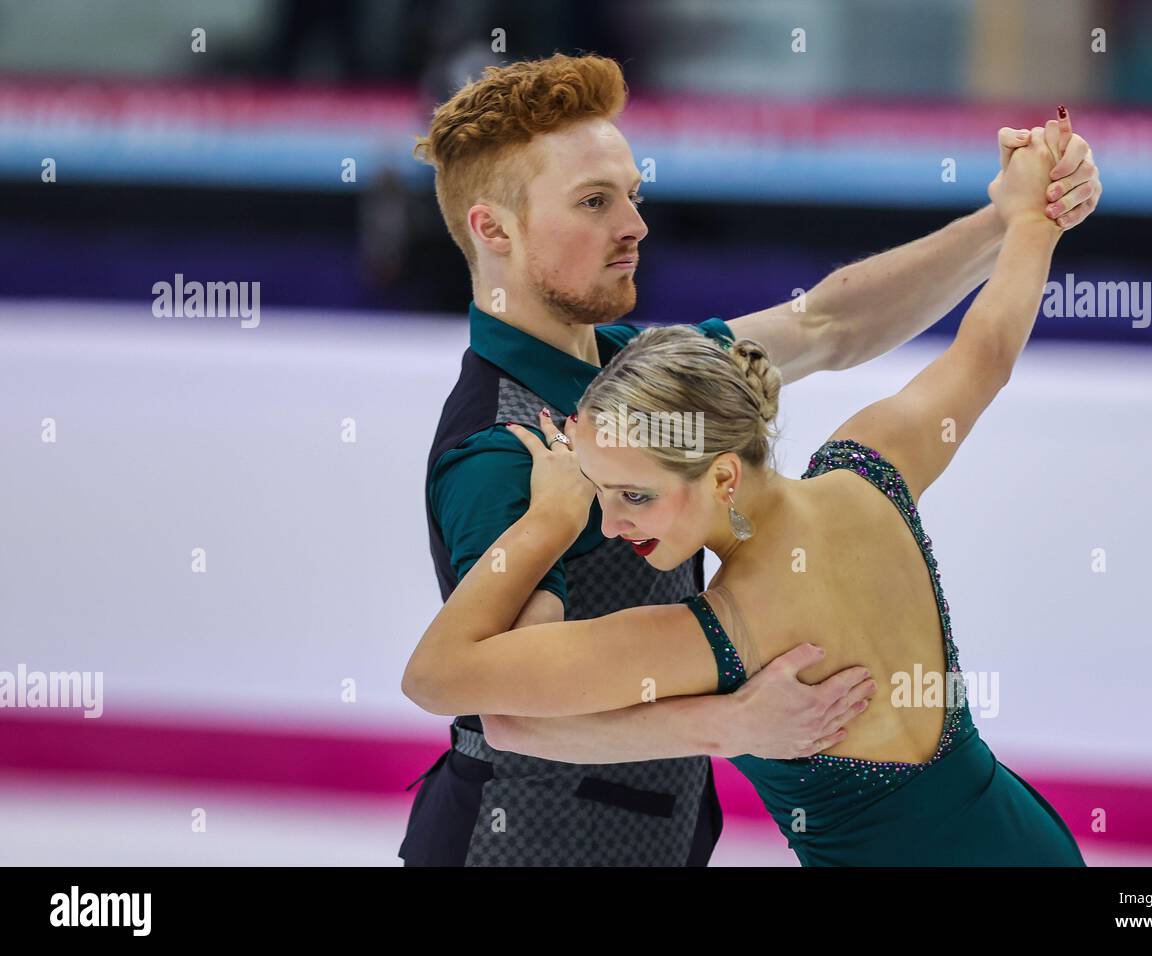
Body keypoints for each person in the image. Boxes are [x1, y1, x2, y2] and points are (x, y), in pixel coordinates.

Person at [401, 52, 1101, 866]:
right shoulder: (504, 449)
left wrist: (1010, 216)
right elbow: (509, 712)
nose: (634, 225)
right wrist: (725, 723)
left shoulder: (645, 372)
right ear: (494, 229)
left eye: (633, 194)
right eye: (594, 202)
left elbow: (828, 325)